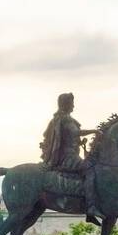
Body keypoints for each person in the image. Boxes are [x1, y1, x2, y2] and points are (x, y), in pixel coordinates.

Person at [40, 91, 100, 223]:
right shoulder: (64, 119)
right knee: (90, 169)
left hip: (71, 154)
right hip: (67, 157)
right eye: (72, 103)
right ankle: (90, 208)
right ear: (66, 104)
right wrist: (94, 131)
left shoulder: (64, 119)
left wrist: (79, 142)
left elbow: (70, 137)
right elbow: (76, 132)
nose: (73, 106)